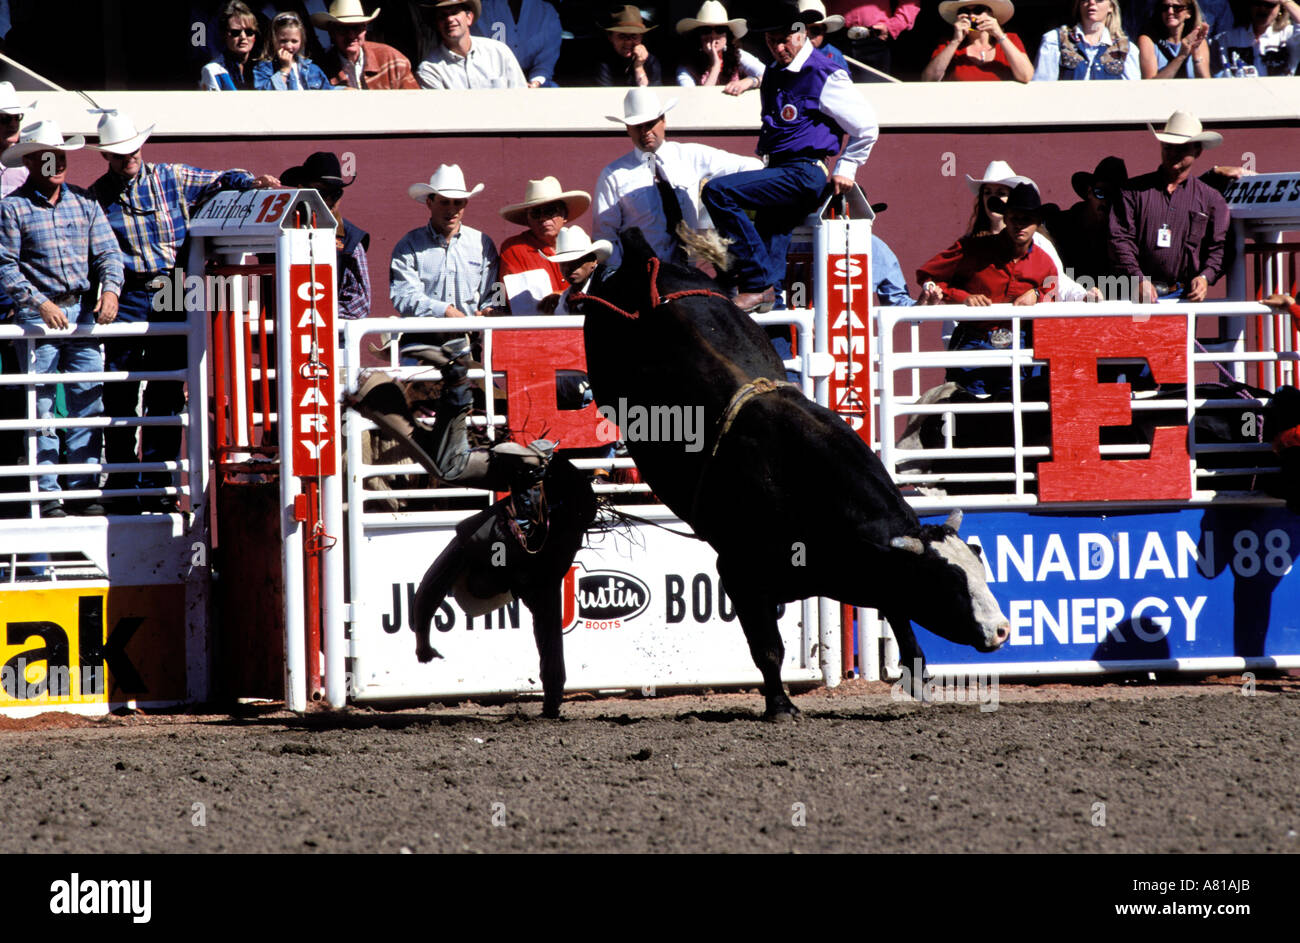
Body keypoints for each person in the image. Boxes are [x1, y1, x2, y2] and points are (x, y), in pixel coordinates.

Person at [88, 111, 280, 513]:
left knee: (168, 385)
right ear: (107, 157)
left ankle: (156, 484)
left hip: (173, 284)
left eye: (133, 151)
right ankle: (123, 486)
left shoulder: (170, 176)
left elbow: (224, 177)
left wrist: (251, 181)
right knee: (121, 387)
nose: (130, 159)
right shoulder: (96, 197)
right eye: (121, 154)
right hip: (130, 288)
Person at [701, 1, 879, 313]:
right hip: (782, 173)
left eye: (785, 39)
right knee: (774, 276)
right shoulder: (774, 74)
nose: (779, 47)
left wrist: (847, 166)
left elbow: (866, 126)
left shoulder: (824, 72)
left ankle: (755, 283)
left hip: (803, 172)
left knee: (718, 191)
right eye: (771, 41)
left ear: (801, 34)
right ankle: (778, 340)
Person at [0, 121, 123, 518]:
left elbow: (108, 253)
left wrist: (110, 290)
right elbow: (5, 265)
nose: (57, 163)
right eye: (48, 156)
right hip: (39, 319)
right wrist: (38, 303)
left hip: (81, 312)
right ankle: (49, 493)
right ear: (33, 161)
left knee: (89, 399)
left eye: (61, 155)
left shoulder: (85, 203)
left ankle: (84, 490)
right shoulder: (12, 207)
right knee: (43, 407)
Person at [595, 88, 762, 270]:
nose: (645, 131)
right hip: (640, 274)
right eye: (638, 126)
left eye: (650, 123)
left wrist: (719, 197)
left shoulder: (690, 156)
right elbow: (605, 235)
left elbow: (750, 167)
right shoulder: (613, 174)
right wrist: (622, 273)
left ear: (663, 120)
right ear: (628, 129)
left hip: (686, 273)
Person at [917, 183, 1057, 396]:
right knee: (968, 408)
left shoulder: (1044, 261)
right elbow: (931, 275)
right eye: (1014, 218)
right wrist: (964, 297)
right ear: (1005, 218)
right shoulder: (973, 249)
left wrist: (1037, 294)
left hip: (1017, 340)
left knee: (1013, 407)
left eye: (1026, 220)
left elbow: (1053, 288)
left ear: (1037, 223)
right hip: (974, 338)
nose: (1019, 226)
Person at [1109, 110, 1228, 303]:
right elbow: (1120, 239)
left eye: (1181, 148)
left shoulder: (1211, 199)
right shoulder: (1132, 192)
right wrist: (1137, 279)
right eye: (1168, 147)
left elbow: (1219, 248)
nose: (1173, 153)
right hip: (1134, 293)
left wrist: (1205, 277)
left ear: (1197, 151)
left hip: (1183, 295)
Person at [391, 163, 501, 352]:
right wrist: (443, 310)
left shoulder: (483, 243)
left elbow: (496, 290)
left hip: (468, 342)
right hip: (421, 342)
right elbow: (404, 296)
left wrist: (493, 309)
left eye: (457, 202)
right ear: (429, 203)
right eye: (444, 202)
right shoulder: (409, 245)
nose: (452, 209)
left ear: (465, 204)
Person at [282, 151, 371, 321]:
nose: (330, 200)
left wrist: (312, 315)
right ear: (302, 190)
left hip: (332, 339)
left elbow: (360, 304)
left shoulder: (350, 240)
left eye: (336, 193)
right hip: (282, 336)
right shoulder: (281, 232)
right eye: (322, 192)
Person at [0, 82, 34, 508]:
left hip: (22, 298)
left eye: (15, 118)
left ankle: (21, 491)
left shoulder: (27, 170)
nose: (12, 126)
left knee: (26, 397)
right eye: (5, 118)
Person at [498, 175, 590, 315]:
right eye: (535, 213)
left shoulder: (582, 242)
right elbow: (499, 289)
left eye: (550, 211)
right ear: (527, 220)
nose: (543, 218)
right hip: (533, 328)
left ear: (564, 216)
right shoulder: (513, 248)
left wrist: (563, 296)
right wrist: (495, 307)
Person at [1042, 155, 1128, 288]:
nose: (1106, 202)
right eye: (1100, 193)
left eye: (1113, 196)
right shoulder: (1060, 224)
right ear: (1089, 192)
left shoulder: (1124, 232)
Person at [417, 0, 528, 88]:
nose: (450, 19)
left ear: (469, 18)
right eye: (443, 16)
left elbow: (521, 97)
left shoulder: (499, 52)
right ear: (437, 24)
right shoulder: (430, 70)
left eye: (455, 12)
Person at [313, 0, 420, 88]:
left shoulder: (392, 59)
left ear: (365, 29)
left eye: (356, 28)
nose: (351, 35)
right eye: (342, 29)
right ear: (332, 32)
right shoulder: (319, 69)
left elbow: (414, 103)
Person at [921, 0, 1034, 82]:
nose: (972, 16)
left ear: (991, 14)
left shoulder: (1010, 39)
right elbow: (928, 80)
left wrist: (999, 35)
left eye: (978, 10)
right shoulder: (948, 43)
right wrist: (955, 41)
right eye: (964, 11)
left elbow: (1026, 76)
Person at [1033, 0, 1142, 79]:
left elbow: (1132, 93)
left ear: (1111, 7)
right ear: (1079, 5)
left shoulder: (1125, 48)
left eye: (1099, 0)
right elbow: (1043, 86)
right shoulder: (1055, 40)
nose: (1091, 2)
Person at [675, 2, 764, 94]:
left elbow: (769, 75)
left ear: (727, 35)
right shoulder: (686, 67)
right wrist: (716, 66)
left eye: (720, 30)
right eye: (706, 30)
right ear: (698, 36)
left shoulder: (738, 56)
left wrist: (750, 81)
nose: (713, 36)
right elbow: (697, 99)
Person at [471, 0, 563, 87]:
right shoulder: (482, 10)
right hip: (492, 83)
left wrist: (535, 83)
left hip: (535, 85)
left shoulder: (546, 12)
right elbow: (477, 55)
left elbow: (545, 63)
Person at [824, 0, 920, 77]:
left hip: (874, 38)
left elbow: (910, 3)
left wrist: (893, 26)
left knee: (875, 91)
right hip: (835, 38)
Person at [253, 11, 340, 88]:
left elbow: (327, 90)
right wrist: (284, 70)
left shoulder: (311, 68)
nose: (288, 46)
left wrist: (342, 89)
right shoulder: (264, 68)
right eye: (283, 41)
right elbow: (264, 95)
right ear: (273, 39)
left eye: (294, 41)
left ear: (301, 41)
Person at [1211, 0, 1300, 75]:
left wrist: (1285, 1)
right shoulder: (1227, 39)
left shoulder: (1289, 34)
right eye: (1257, 3)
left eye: (1269, 5)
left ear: (1280, 8)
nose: (1262, 9)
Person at [1138, 0, 1211, 76]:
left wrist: (1195, 53)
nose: (1170, 11)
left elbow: (1206, 84)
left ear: (1189, 13)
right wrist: (1181, 56)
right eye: (1165, 7)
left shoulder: (1199, 42)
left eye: (1177, 7)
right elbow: (1150, 86)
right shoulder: (1148, 41)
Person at [596, 4, 664, 86]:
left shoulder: (651, 61)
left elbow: (651, 94)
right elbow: (606, 95)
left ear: (641, 37)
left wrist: (639, 67)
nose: (628, 42)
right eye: (622, 36)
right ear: (610, 37)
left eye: (634, 36)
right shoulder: (603, 62)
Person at [201, 1, 262, 89]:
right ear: (224, 35)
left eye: (249, 32)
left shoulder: (264, 68)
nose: (243, 37)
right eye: (235, 32)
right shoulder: (213, 70)